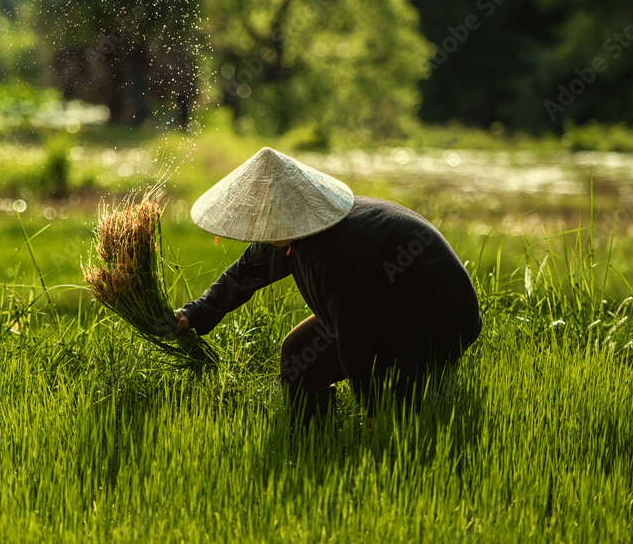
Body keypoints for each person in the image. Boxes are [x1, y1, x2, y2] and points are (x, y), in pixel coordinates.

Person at [169, 147, 482, 429]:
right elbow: (247, 271)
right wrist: (194, 314)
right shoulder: (284, 233)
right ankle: (316, 444)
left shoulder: (336, 250)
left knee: (397, 410)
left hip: (436, 315)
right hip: (379, 307)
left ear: (290, 211)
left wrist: (373, 408)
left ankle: (399, 436)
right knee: (298, 357)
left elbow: (352, 331)